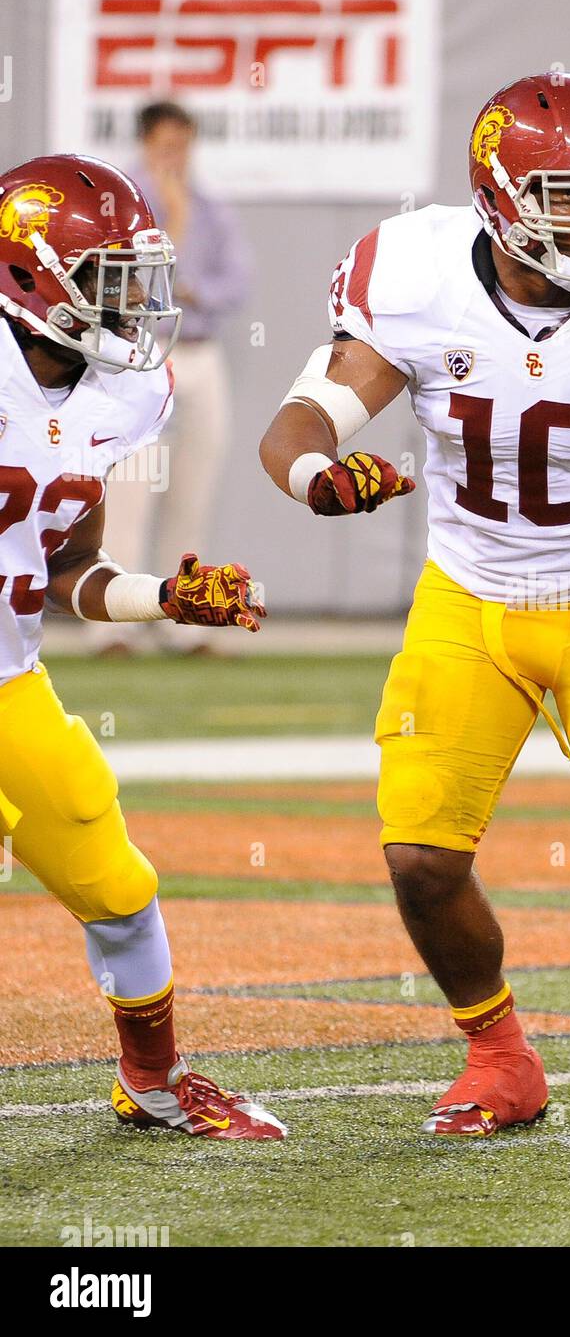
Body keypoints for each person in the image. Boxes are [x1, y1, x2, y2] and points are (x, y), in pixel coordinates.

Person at [260, 72, 570, 1137]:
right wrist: (319, 479)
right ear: (500, 198)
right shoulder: (416, 272)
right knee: (419, 856)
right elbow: (299, 424)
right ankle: (501, 1054)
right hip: (467, 597)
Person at [0, 152, 282, 1138]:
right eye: (108, 279)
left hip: (9, 680)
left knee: (120, 887)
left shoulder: (120, 393)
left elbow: (69, 567)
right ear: (30, 274)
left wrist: (164, 597)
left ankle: (153, 1079)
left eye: (135, 280)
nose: (133, 304)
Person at [92, 99, 251, 655]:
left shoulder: (212, 206)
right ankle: (114, 625)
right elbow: (132, 289)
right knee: (130, 492)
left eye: (183, 145)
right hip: (138, 354)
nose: (175, 156)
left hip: (200, 352)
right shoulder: (121, 206)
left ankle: (183, 619)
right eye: (165, 145)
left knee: (192, 490)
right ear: (145, 143)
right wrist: (174, 227)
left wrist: (189, 286)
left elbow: (236, 285)